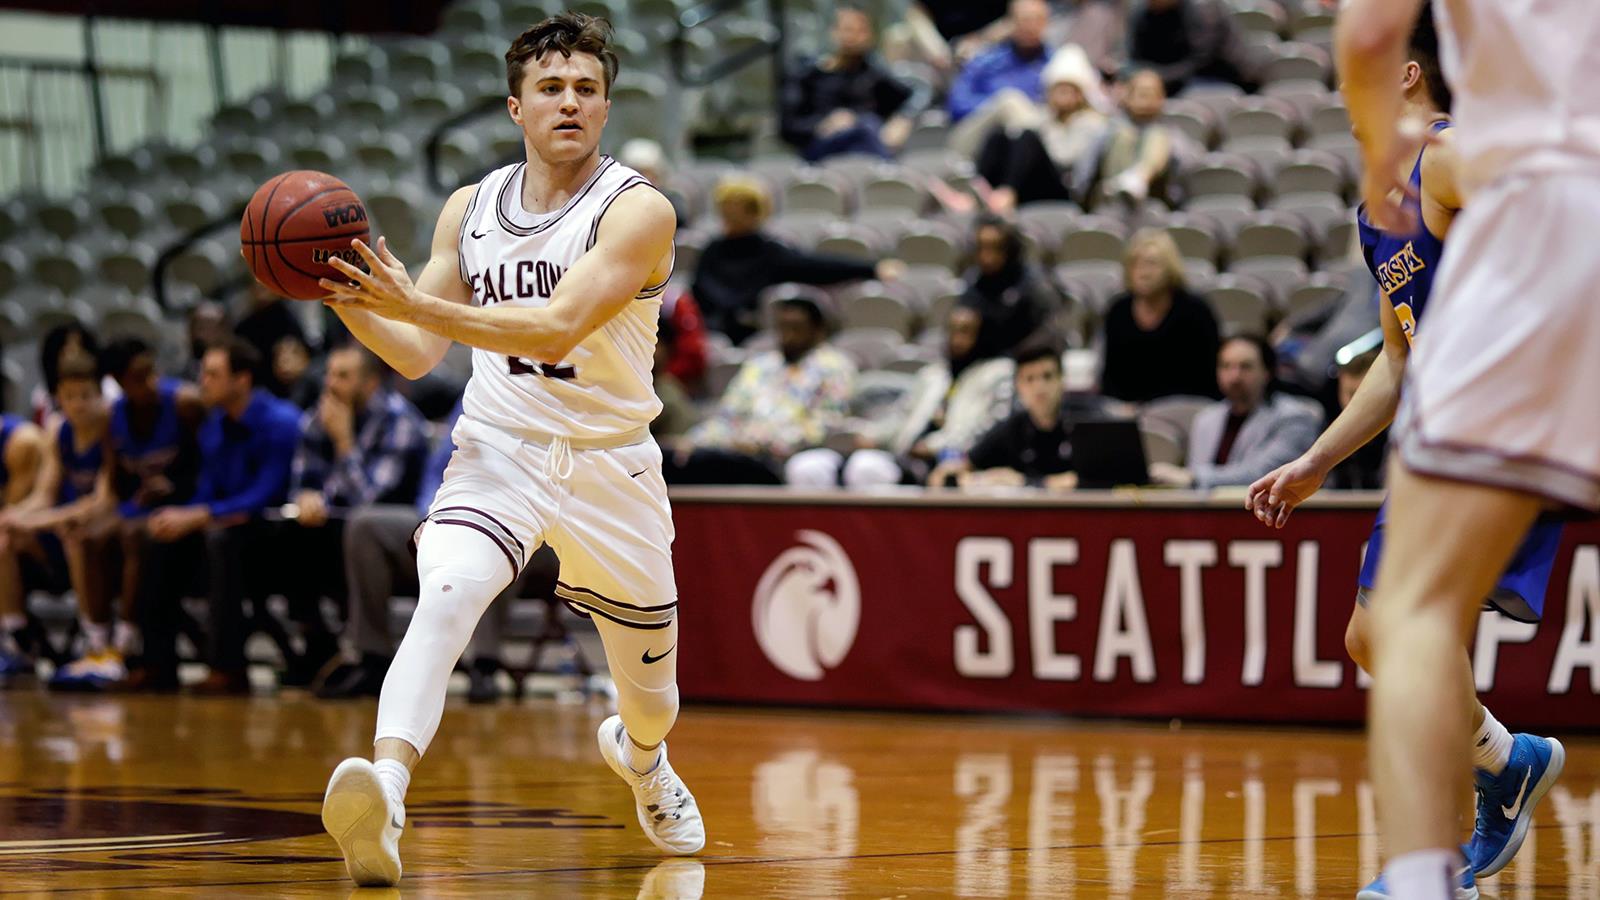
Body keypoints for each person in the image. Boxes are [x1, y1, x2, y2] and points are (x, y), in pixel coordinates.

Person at [313, 14, 706, 884]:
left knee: (652, 699)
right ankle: (384, 793)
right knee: (445, 595)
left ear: (605, 108)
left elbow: (559, 321)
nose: (571, 102)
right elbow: (417, 354)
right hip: (502, 445)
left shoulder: (638, 209)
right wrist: (335, 292)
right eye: (552, 88)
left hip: (613, 461)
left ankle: (643, 763)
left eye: (587, 90)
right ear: (515, 107)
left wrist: (420, 306)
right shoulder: (472, 208)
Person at [1262, 3, 1587, 894]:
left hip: (1505, 418)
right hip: (1439, 425)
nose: (1338, 78)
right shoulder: (1382, 200)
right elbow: (1395, 360)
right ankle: (1505, 764)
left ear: (1408, 73)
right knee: (1374, 637)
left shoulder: (1448, 154)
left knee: (1407, 628)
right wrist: (1317, 460)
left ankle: (1427, 871)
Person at [316, 400, 532, 704]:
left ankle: (485, 663)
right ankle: (373, 657)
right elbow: (440, 467)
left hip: (522, 518)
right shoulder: (472, 393)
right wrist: (434, 514)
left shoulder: (547, 391)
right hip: (450, 512)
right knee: (366, 526)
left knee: (495, 536)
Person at [136, 338, 300, 695]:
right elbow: (207, 492)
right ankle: (156, 664)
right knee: (160, 536)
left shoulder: (282, 421)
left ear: (241, 380)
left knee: (219, 539)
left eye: (212, 374)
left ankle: (228, 668)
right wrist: (181, 516)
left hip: (280, 537)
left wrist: (198, 515)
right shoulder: (214, 425)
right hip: (228, 531)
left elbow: (265, 495)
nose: (202, 382)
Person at [283, 345, 430, 686]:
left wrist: (344, 441)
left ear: (371, 383)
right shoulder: (320, 416)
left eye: (343, 376)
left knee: (355, 529)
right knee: (285, 535)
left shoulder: (400, 421)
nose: (331, 384)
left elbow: (367, 499)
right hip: (337, 532)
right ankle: (318, 644)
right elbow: (303, 482)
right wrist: (306, 497)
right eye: (330, 374)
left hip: (396, 538)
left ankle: (370, 658)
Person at [785, 301, 1014, 488]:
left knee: (867, 468)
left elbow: (989, 427)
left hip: (946, 462)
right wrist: (869, 435)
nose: (957, 340)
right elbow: (902, 417)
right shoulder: (934, 375)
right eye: (952, 331)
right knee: (809, 465)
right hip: (905, 455)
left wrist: (934, 446)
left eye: (966, 332)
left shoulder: (997, 373)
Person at [101, 337, 204, 691]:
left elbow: (211, 464)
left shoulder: (185, 403)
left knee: (140, 538)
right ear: (118, 382)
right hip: (142, 510)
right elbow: (115, 486)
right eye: (139, 377)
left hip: (187, 508)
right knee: (93, 537)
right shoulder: (113, 417)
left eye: (152, 372)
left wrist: (174, 486)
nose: (151, 382)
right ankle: (98, 641)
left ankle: (133, 644)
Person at [665, 295, 855, 485]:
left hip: (788, 455)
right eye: (783, 328)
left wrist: (762, 443)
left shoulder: (834, 367)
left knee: (805, 467)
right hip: (738, 451)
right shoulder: (760, 366)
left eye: (796, 328)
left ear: (817, 330)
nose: (788, 335)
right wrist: (696, 440)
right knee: (682, 460)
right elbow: (727, 417)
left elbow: (824, 426)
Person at [691, 176, 901, 345]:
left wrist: (872, 269)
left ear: (756, 212)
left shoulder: (770, 251)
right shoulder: (712, 251)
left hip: (755, 336)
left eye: (739, 207)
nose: (730, 214)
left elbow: (818, 267)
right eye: (726, 207)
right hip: (712, 332)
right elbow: (699, 294)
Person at [0, 355, 107, 685]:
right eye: (70, 397)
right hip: (57, 533)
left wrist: (37, 521)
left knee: (75, 534)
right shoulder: (58, 432)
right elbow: (44, 495)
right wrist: (13, 517)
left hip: (95, 535)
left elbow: (99, 502)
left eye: (86, 396)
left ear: (100, 395)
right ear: (59, 399)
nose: (78, 404)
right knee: (5, 536)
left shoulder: (110, 430)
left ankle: (96, 643)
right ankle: (16, 639)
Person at [1152, 335, 1318, 489]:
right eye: (1226, 366)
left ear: (1267, 372)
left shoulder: (1295, 417)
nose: (1235, 376)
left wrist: (1193, 477)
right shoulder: (1206, 419)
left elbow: (1264, 475)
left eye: (1245, 367)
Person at [972, 47, 1110, 210]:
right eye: (1057, 90)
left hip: (1067, 190)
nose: (1060, 96)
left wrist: (1045, 131)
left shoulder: (1091, 123)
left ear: (1079, 95)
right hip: (1035, 183)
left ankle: (1007, 194)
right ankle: (976, 191)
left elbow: (1063, 159)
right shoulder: (1045, 117)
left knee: (1029, 137)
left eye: (1067, 91)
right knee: (999, 135)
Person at [927, 342, 1078, 491]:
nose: (1039, 387)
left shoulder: (1084, 421)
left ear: (1061, 380)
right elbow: (954, 469)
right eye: (1030, 379)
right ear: (1018, 386)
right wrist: (982, 479)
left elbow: (1088, 479)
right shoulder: (1012, 426)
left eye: (1047, 376)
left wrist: (1023, 482)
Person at [780, 4, 919, 162]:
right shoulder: (807, 75)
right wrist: (823, 125)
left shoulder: (873, 71)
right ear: (833, 32)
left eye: (861, 31)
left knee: (868, 125)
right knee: (868, 126)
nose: (854, 38)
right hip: (822, 153)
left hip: (865, 148)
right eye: (848, 30)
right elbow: (788, 127)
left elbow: (916, 93)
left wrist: (903, 118)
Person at [1099, 229, 1220, 403]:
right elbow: (1110, 378)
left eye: (1151, 264)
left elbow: (1209, 377)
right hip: (1129, 413)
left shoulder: (1196, 312)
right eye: (1135, 264)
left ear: (1170, 268)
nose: (1143, 272)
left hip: (1185, 408)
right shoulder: (1118, 311)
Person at [947, 0, 1055, 157]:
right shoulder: (986, 60)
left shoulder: (1056, 63)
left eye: (1038, 20)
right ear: (1010, 23)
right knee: (1009, 101)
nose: (1031, 27)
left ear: (1047, 24)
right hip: (975, 138)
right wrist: (996, 107)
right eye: (1025, 20)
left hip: (1020, 142)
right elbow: (957, 105)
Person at [959, 216, 1060, 359]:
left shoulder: (1034, 285)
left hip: (1026, 364)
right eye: (981, 248)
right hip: (981, 366)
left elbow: (1047, 335)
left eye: (994, 248)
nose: (986, 257)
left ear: (1011, 249)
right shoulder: (973, 284)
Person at [1128, 0, 1259, 96]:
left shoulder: (1204, 9)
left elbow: (1201, 61)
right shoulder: (1142, 12)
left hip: (1220, 76)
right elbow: (1135, 56)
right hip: (1171, 78)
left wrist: (1157, 77)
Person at [0, 413, 45, 680]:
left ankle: (16, 641)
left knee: (4, 540)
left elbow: (12, 513)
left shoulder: (22, 444)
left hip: (43, 537)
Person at [1097, 69, 1178, 206]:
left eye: (1152, 92)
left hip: (1156, 198)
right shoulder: (1110, 128)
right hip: (1111, 194)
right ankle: (1123, 186)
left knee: (1157, 135)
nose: (1146, 97)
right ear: (1127, 97)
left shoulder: (1172, 131)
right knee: (1123, 135)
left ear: (1162, 98)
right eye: (1141, 92)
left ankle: (1137, 179)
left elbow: (1187, 170)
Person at [1323, 349, 1387, 490]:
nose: (1356, 405)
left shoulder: (1400, 433)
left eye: (1363, 394)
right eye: (1350, 394)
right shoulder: (1327, 430)